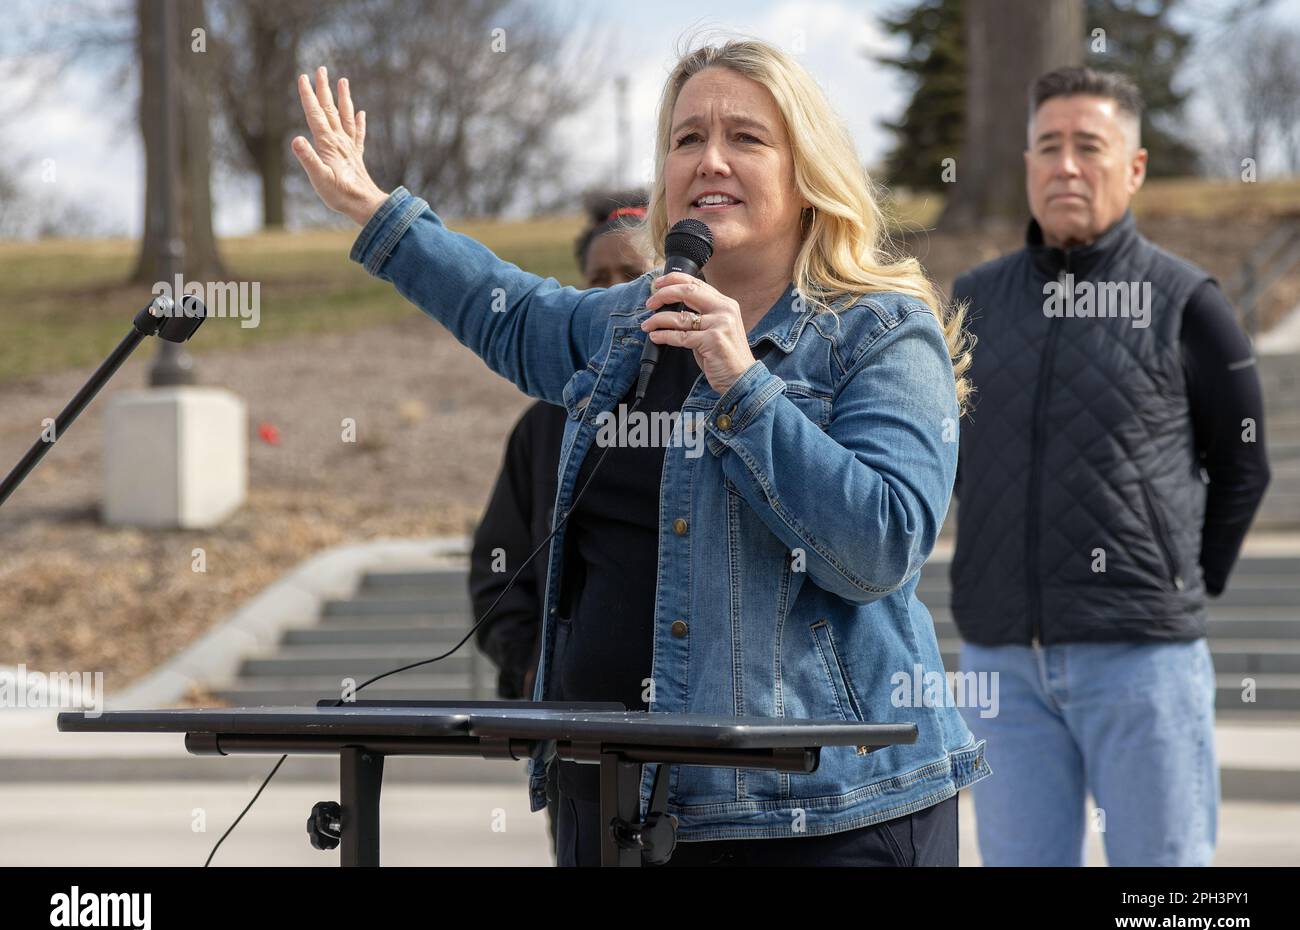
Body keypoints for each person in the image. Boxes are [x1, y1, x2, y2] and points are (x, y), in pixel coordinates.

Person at [292, 36, 989, 867]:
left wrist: (744, 385)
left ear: (808, 174)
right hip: (618, 796)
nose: (709, 160)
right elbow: (509, 315)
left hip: (820, 812)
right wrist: (378, 213)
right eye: (687, 138)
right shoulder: (633, 319)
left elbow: (880, 549)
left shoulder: (877, 332)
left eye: (747, 138)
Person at [949, 66, 1272, 866]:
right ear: (1026, 164)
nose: (1065, 165)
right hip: (1000, 668)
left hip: (1142, 666)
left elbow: (1244, 464)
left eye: (1088, 146)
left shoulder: (1185, 299)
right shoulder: (973, 303)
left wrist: (1173, 584)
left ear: (1133, 167)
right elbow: (944, 456)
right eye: (1047, 146)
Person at [468, 190, 651, 856]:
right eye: (598, 281)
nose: (614, 295)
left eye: (632, 277)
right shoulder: (545, 425)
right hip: (577, 747)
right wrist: (531, 671)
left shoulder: (713, 400)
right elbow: (497, 574)